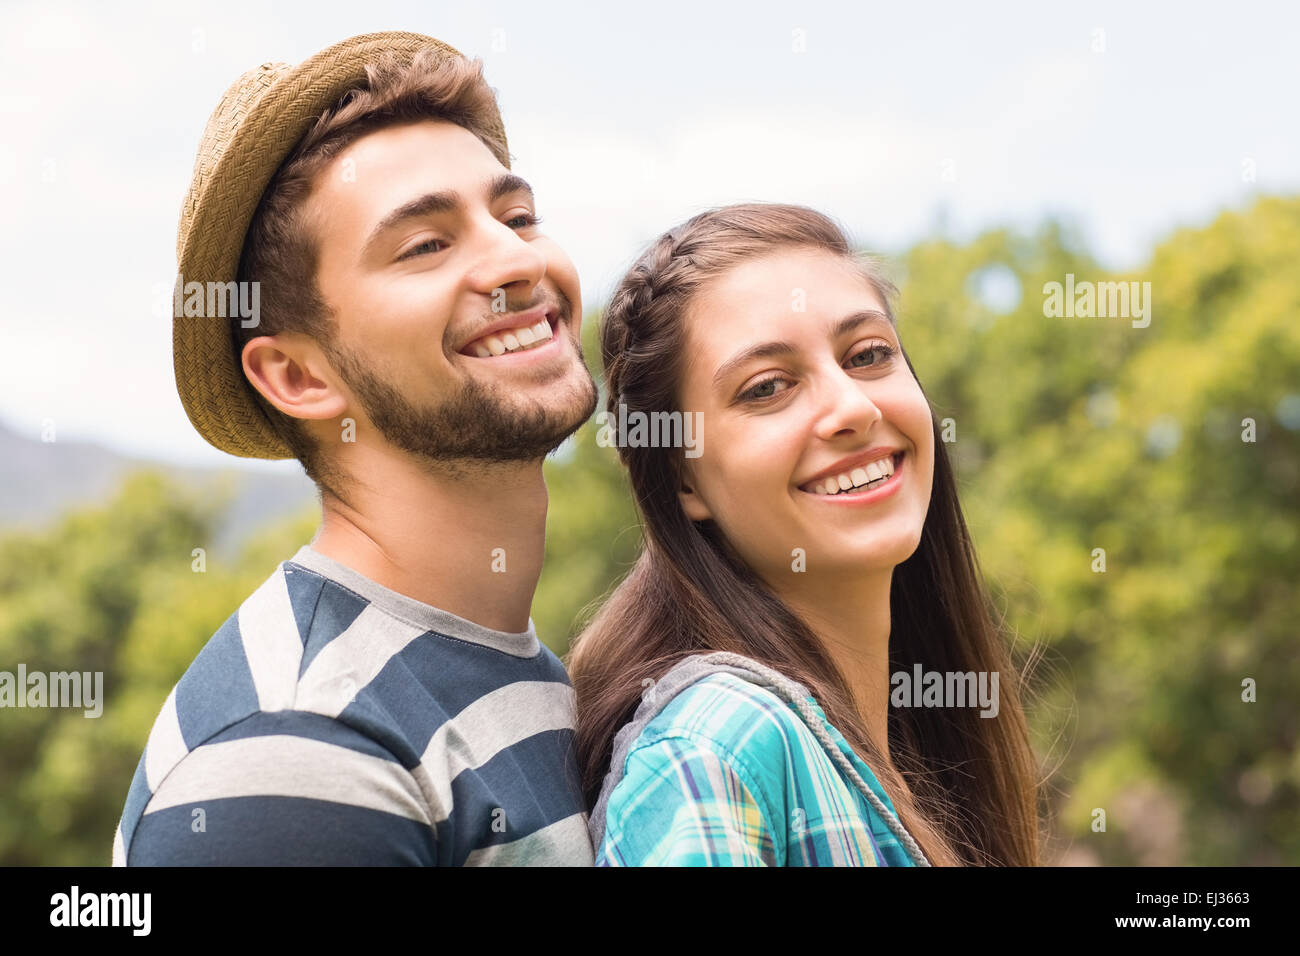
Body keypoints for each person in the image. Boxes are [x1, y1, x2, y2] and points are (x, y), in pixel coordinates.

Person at [114, 32, 598, 866]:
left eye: (517, 218)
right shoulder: (295, 750)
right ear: (299, 376)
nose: (516, 258)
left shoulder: (516, 672)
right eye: (427, 245)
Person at [568, 203, 1042, 866]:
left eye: (869, 354)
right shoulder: (713, 754)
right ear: (685, 482)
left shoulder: (905, 762)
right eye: (767, 388)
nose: (853, 407)